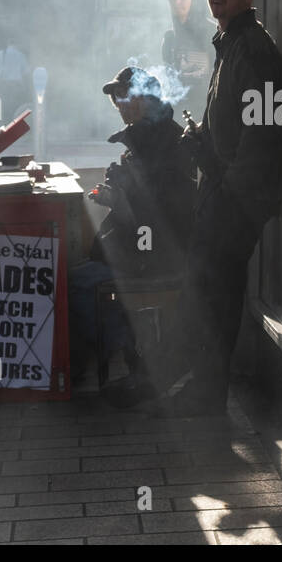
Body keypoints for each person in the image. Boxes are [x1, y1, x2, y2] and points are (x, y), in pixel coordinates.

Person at [153, 0, 282, 417]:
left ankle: (201, 393)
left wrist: (229, 188)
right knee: (211, 291)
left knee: (216, 294)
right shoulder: (230, 43)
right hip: (224, 191)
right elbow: (228, 118)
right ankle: (198, 388)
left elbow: (262, 131)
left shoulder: (251, 48)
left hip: (235, 199)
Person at [69, 66, 194, 403]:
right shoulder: (148, 136)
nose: (119, 105)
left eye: (125, 97)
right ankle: (128, 355)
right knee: (80, 273)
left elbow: (154, 218)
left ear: (144, 98)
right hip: (143, 247)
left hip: (153, 256)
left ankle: (130, 357)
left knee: (77, 284)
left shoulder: (159, 142)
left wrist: (120, 200)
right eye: (115, 100)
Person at [160, 0, 214, 118]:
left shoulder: (213, 33)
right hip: (178, 116)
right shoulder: (169, 39)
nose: (177, 2)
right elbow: (169, 83)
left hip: (208, 115)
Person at [0, 39, 30, 119]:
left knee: (4, 108)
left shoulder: (0, 54)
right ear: (17, 44)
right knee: (16, 108)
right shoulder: (21, 55)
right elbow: (26, 73)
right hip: (17, 85)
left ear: (8, 43)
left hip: (4, 85)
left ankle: (4, 126)